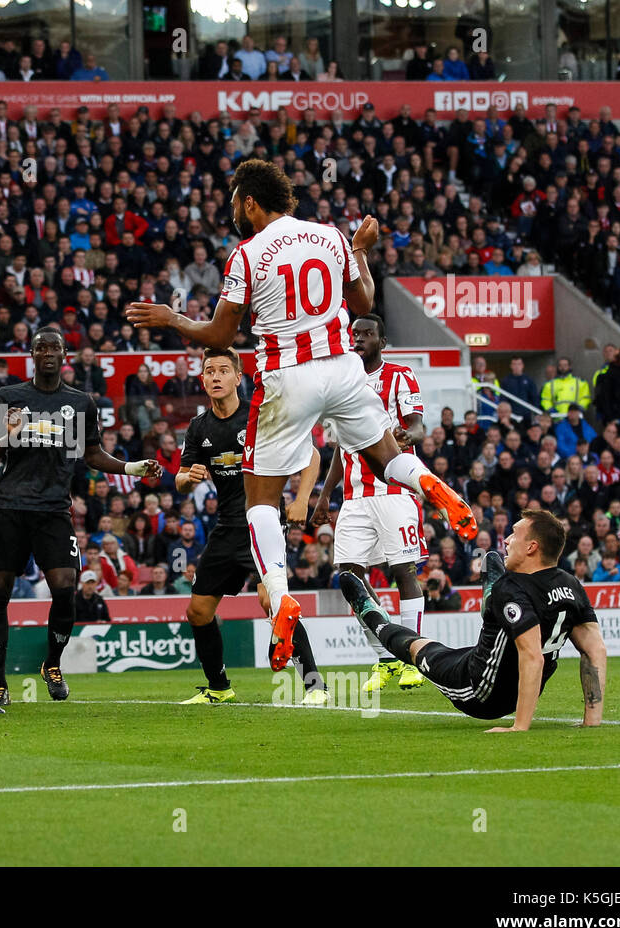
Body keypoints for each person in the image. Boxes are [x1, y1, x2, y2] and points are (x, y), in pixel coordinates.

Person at [126, 158, 476, 674]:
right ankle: (434, 487)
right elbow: (364, 301)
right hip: (342, 366)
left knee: (260, 495)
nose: (231, 213)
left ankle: (281, 595)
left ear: (249, 201)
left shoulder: (247, 253)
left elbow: (221, 336)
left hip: (288, 376)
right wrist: (361, 250)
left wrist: (171, 317)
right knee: (383, 454)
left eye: (233, 204)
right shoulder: (331, 235)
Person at [0, 328, 160, 706]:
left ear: (65, 354)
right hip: (10, 507)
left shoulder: (79, 403)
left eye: (55, 347)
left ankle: (52, 664)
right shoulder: (8, 397)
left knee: (65, 590)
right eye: (41, 347)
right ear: (31, 353)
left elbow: (92, 455)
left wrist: (131, 468)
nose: (48, 353)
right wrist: (9, 434)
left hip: (54, 511)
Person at [340, 510, 608, 730]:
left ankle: (372, 615)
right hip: (508, 676)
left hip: (478, 689)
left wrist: (519, 727)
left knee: (416, 647)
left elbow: (533, 656)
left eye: (514, 534)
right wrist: (592, 721)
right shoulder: (571, 584)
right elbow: (594, 650)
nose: (507, 540)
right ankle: (490, 604)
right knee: (494, 626)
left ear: (532, 547)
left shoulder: (513, 589)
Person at [174, 346, 327, 705]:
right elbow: (180, 478)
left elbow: (312, 455)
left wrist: (302, 499)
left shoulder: (260, 416)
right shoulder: (199, 427)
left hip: (264, 520)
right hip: (227, 526)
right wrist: (188, 477)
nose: (215, 377)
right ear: (202, 379)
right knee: (197, 611)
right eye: (209, 371)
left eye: (223, 370)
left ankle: (315, 686)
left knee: (271, 601)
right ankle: (219, 688)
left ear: (237, 377)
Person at [312, 315, 429, 693]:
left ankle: (415, 656)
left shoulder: (400, 377)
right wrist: (326, 492)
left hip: (393, 490)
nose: (358, 339)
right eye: (355, 334)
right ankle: (385, 657)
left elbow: (418, 425)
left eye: (366, 334)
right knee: (349, 577)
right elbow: (340, 447)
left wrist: (406, 434)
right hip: (354, 496)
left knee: (402, 571)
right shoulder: (341, 384)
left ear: (383, 340)